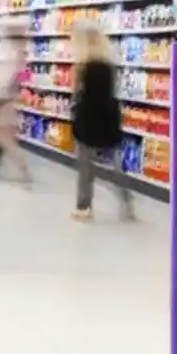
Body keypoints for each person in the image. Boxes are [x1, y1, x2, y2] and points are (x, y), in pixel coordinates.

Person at [69, 21, 135, 222]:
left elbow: (79, 94)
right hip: (108, 118)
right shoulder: (108, 63)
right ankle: (126, 198)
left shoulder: (84, 66)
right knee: (114, 165)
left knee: (85, 168)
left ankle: (83, 207)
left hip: (88, 120)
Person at [0, 18, 31, 184]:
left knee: (4, 138)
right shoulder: (17, 51)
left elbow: (2, 79)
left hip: (1, 102)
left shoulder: (10, 52)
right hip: (3, 100)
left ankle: (23, 171)